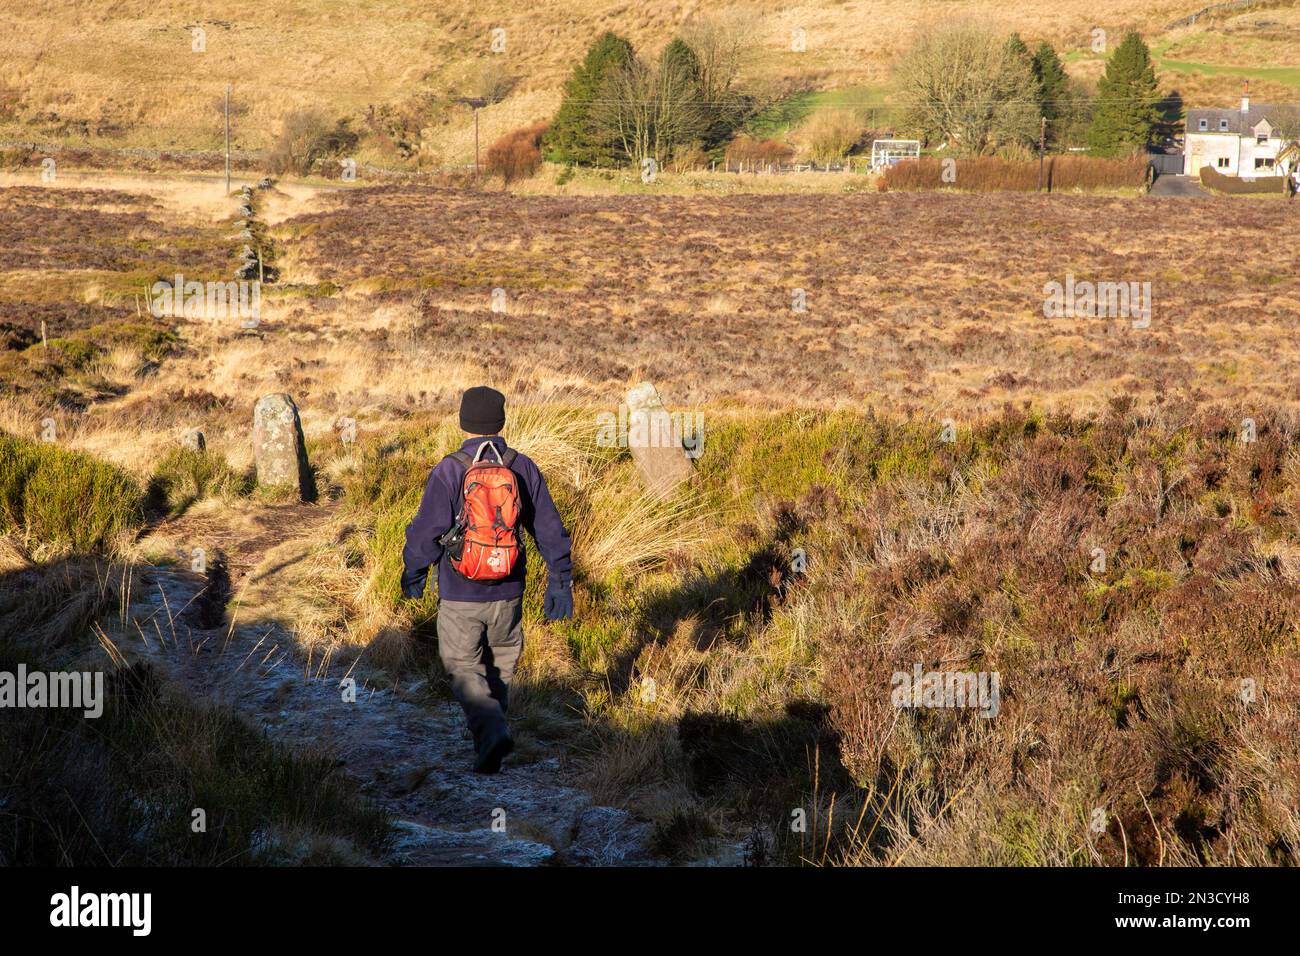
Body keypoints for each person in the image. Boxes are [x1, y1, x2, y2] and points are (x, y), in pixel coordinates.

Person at [401, 386, 573, 773]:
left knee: (462, 664)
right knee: (502, 665)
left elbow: (425, 532)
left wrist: (414, 574)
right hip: (509, 590)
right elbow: (550, 530)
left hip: (460, 593)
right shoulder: (522, 467)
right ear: (501, 422)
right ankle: (491, 743)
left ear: (463, 422)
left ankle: (492, 735)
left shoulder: (450, 469)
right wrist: (560, 581)